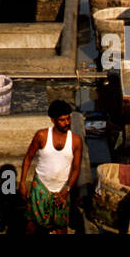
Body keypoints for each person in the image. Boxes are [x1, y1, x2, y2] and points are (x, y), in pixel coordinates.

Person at [21, 100, 83, 234]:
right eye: (62, 120)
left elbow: (76, 169)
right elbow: (28, 158)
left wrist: (67, 190)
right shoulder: (42, 136)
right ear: (53, 120)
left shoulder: (76, 141)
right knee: (32, 224)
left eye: (68, 119)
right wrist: (22, 183)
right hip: (40, 187)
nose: (67, 123)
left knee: (61, 226)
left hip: (61, 189)